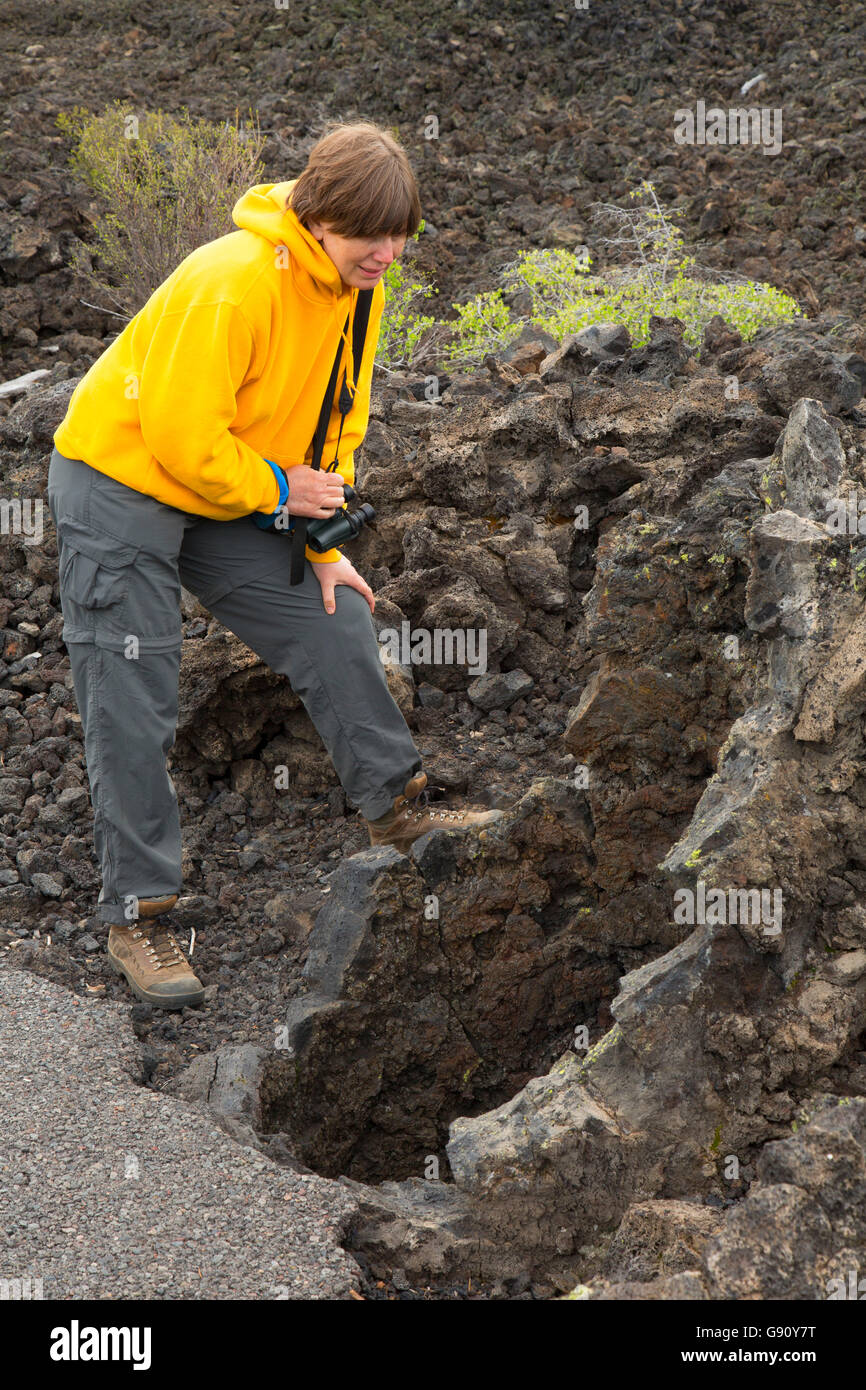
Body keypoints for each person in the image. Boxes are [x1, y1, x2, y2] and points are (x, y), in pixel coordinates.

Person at [48, 121, 501, 1013]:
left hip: (230, 484)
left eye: (402, 231)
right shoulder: (236, 283)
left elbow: (339, 418)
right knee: (136, 685)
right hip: (122, 480)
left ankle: (396, 805)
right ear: (319, 216)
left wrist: (318, 539)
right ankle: (138, 912)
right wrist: (274, 491)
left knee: (335, 617)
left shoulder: (355, 285)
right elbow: (178, 436)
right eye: (375, 233)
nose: (392, 251)